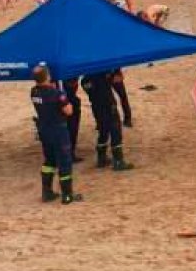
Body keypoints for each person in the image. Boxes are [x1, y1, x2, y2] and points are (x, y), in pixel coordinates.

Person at [30, 65, 81, 204]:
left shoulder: (33, 92)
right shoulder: (57, 94)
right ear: (48, 76)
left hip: (44, 131)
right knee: (65, 162)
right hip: (58, 131)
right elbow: (69, 111)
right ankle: (67, 195)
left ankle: (47, 192)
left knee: (49, 161)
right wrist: (62, 95)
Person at [80, 71, 133, 170]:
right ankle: (118, 160)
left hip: (96, 107)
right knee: (115, 130)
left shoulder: (84, 81)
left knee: (103, 130)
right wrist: (114, 76)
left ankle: (101, 157)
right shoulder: (104, 73)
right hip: (108, 105)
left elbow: (90, 88)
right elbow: (116, 79)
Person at [61, 77, 83, 163]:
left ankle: (69, 152)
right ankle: (69, 153)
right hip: (67, 102)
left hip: (67, 99)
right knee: (71, 128)